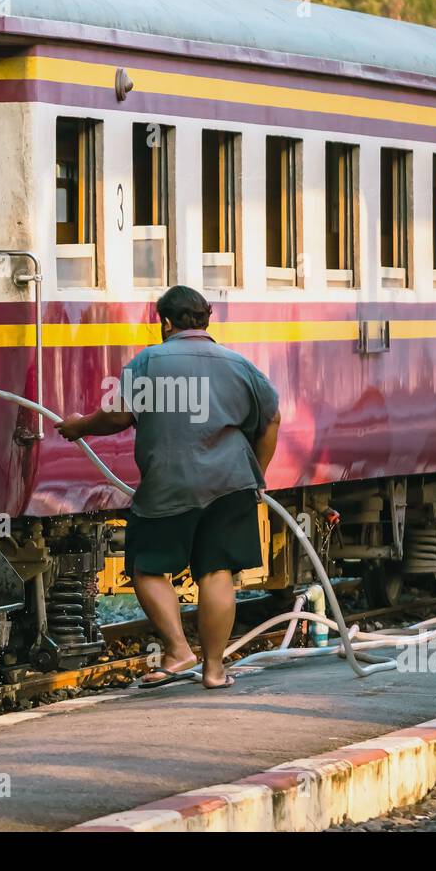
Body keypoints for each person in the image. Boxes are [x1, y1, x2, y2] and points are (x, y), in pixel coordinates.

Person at [55, 286, 281, 690]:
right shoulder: (238, 364)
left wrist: (79, 427)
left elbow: (119, 415)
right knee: (216, 572)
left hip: (169, 483)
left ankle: (177, 649)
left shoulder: (149, 361)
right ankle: (214, 671)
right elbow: (272, 419)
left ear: (164, 322)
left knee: (145, 565)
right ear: (206, 320)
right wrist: (257, 477)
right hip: (232, 482)